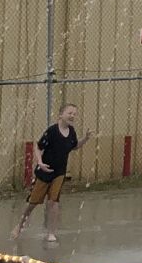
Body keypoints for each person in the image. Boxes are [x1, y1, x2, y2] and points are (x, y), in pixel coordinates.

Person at [16, 103, 92, 244]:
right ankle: (19, 226)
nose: (72, 116)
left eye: (75, 114)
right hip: (45, 171)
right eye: (69, 113)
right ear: (61, 115)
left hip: (59, 173)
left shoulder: (72, 131)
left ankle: (51, 233)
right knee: (33, 203)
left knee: (54, 202)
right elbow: (38, 147)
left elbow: (74, 146)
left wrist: (85, 139)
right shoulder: (51, 131)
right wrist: (39, 162)